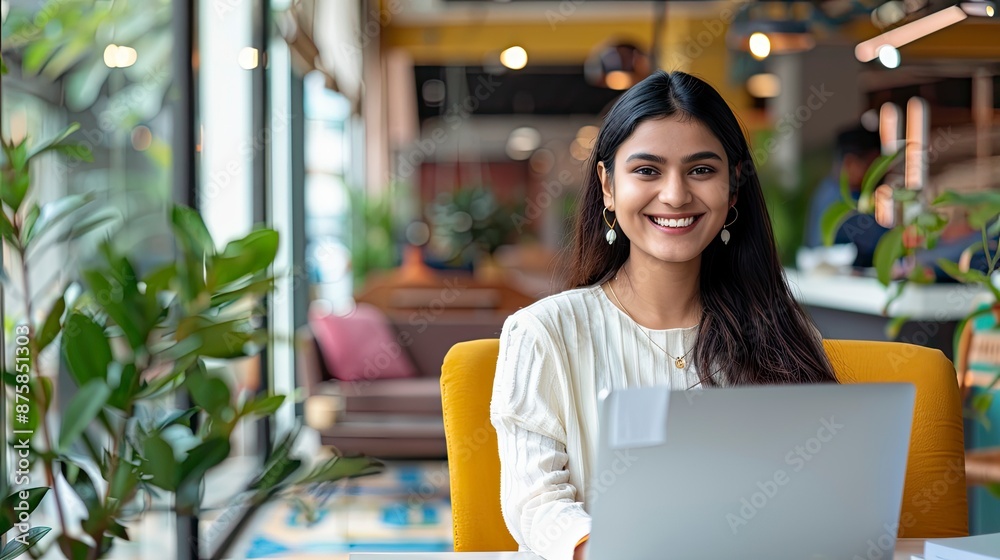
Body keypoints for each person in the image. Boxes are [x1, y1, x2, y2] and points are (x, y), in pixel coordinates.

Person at [490, 70, 838, 560]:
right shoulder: (544, 333)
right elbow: (536, 504)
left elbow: (821, 496)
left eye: (701, 170)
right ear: (608, 186)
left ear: (733, 187)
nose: (675, 195)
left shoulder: (784, 331)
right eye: (647, 171)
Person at [804, 126, 889, 268]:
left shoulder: (826, 190)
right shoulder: (839, 198)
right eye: (874, 164)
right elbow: (881, 244)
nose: (882, 172)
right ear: (850, 163)